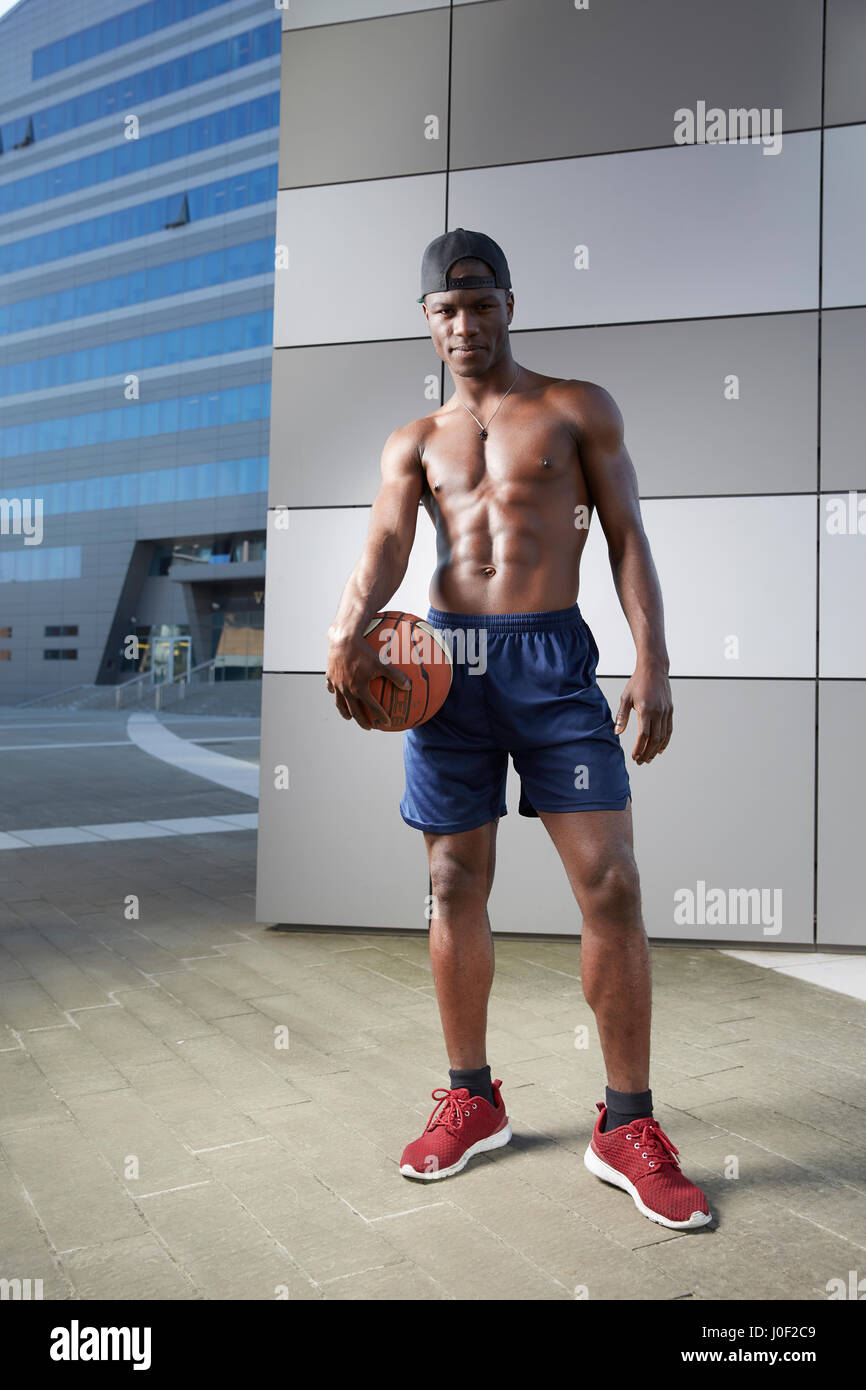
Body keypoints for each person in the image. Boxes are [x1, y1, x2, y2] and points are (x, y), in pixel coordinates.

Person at [325, 228, 710, 1230]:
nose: (464, 324)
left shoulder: (575, 408)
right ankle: (473, 1097)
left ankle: (625, 1124)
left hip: (549, 661)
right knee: (451, 881)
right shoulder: (413, 440)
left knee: (611, 883)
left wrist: (652, 657)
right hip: (444, 671)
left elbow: (625, 535)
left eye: (480, 302)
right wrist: (344, 633)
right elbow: (384, 542)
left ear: (508, 303)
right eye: (445, 311)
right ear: (426, 321)